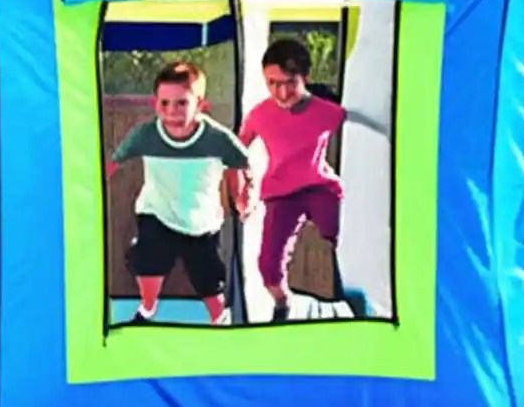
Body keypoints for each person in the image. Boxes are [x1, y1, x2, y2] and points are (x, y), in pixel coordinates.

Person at [107, 61, 251, 325]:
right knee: (148, 263)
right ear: (155, 104)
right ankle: (147, 308)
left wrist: (242, 197)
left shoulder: (218, 138)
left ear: (200, 104)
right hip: (156, 211)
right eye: (164, 104)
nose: (172, 112)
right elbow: (113, 163)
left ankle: (219, 319)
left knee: (209, 280)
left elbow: (239, 165)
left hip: (201, 221)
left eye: (182, 104)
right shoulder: (145, 135)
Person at [237, 38, 347, 323]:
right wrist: (242, 189)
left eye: (290, 83)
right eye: (272, 83)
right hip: (281, 192)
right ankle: (282, 302)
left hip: (319, 187)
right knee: (268, 267)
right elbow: (236, 150)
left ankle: (351, 294)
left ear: (305, 78)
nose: (281, 91)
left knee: (341, 235)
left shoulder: (329, 112)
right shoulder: (260, 115)